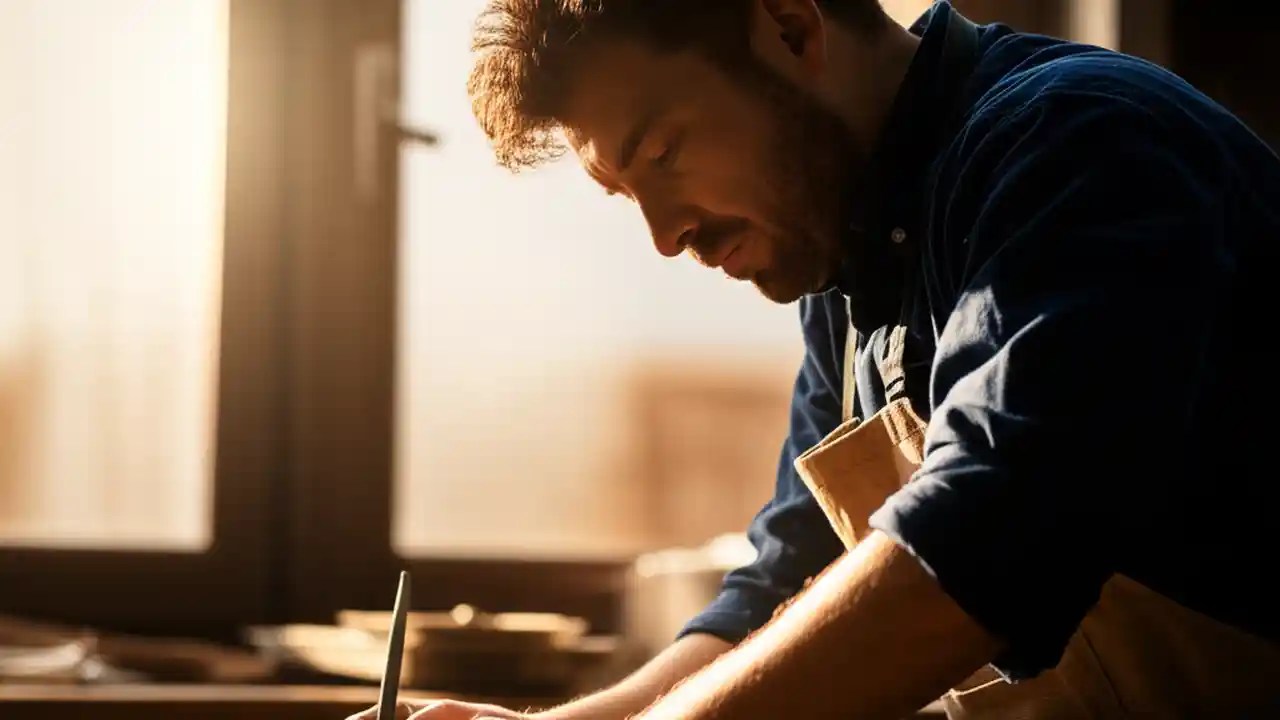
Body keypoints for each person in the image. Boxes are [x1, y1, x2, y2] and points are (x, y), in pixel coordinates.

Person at [348, 0, 1280, 718]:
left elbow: (988, 540)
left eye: (664, 153)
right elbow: (785, 587)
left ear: (791, 24)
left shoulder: (1080, 145)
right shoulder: (846, 266)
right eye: (625, 193)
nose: (666, 236)